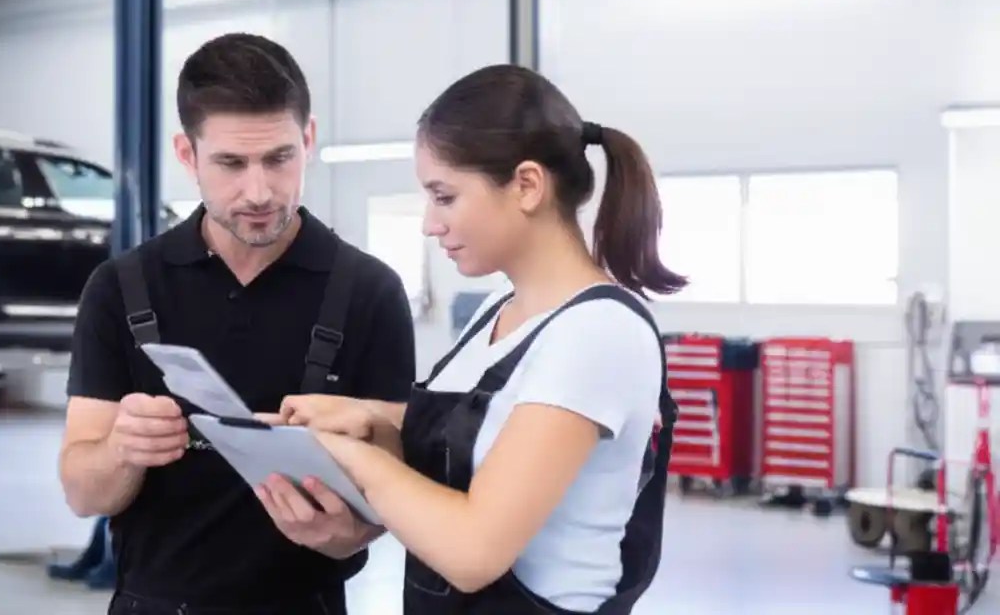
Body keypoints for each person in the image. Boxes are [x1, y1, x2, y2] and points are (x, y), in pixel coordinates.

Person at [263, 64, 684, 614]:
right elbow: (472, 440)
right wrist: (366, 419)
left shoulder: (597, 332)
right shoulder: (498, 310)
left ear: (527, 186)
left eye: (444, 197)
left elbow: (474, 549)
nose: (429, 223)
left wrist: (351, 458)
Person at [59, 32, 417, 615]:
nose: (259, 191)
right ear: (186, 153)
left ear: (309, 139)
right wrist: (123, 450)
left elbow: (397, 490)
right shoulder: (120, 289)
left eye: (279, 158)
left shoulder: (370, 293)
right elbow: (81, 492)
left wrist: (350, 533)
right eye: (230, 163)